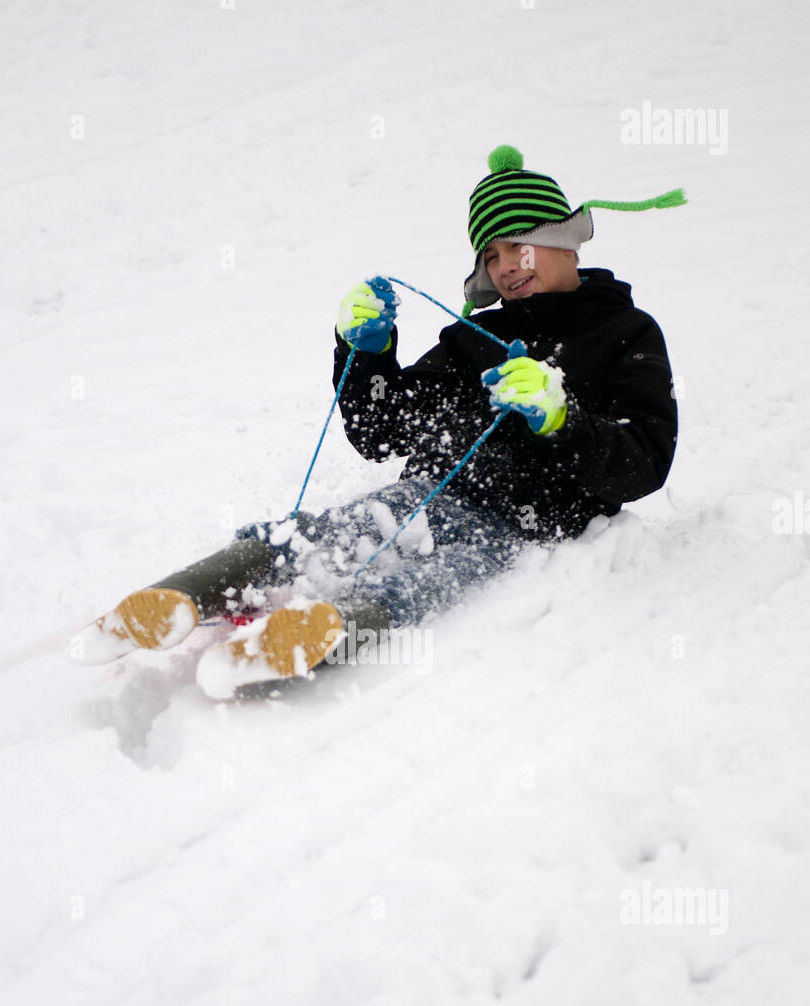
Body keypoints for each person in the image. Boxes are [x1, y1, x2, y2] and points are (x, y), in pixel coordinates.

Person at [74, 144, 685, 694]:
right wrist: (365, 353)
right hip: (426, 498)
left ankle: (311, 636)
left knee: (432, 580)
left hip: (525, 527)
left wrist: (560, 419)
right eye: (491, 254)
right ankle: (178, 594)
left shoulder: (625, 333)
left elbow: (644, 463)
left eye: (518, 244)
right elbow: (381, 430)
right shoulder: (472, 338)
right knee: (318, 533)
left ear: (564, 236)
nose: (505, 266)